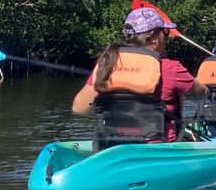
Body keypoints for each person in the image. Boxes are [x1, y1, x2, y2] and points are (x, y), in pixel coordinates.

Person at [72, 8, 207, 149]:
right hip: (157, 150)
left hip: (110, 146)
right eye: (165, 33)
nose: (166, 38)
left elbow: (79, 108)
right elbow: (202, 92)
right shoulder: (171, 69)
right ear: (154, 37)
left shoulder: (106, 65)